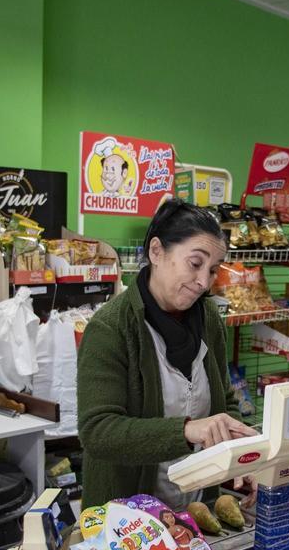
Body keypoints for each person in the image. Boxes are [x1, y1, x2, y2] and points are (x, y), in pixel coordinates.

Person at [78, 198, 255, 509]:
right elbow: (98, 431)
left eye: (213, 270)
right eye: (195, 263)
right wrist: (187, 431)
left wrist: (241, 454)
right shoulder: (111, 328)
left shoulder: (208, 318)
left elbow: (224, 401)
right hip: (126, 521)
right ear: (156, 251)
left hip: (195, 510)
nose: (204, 282)